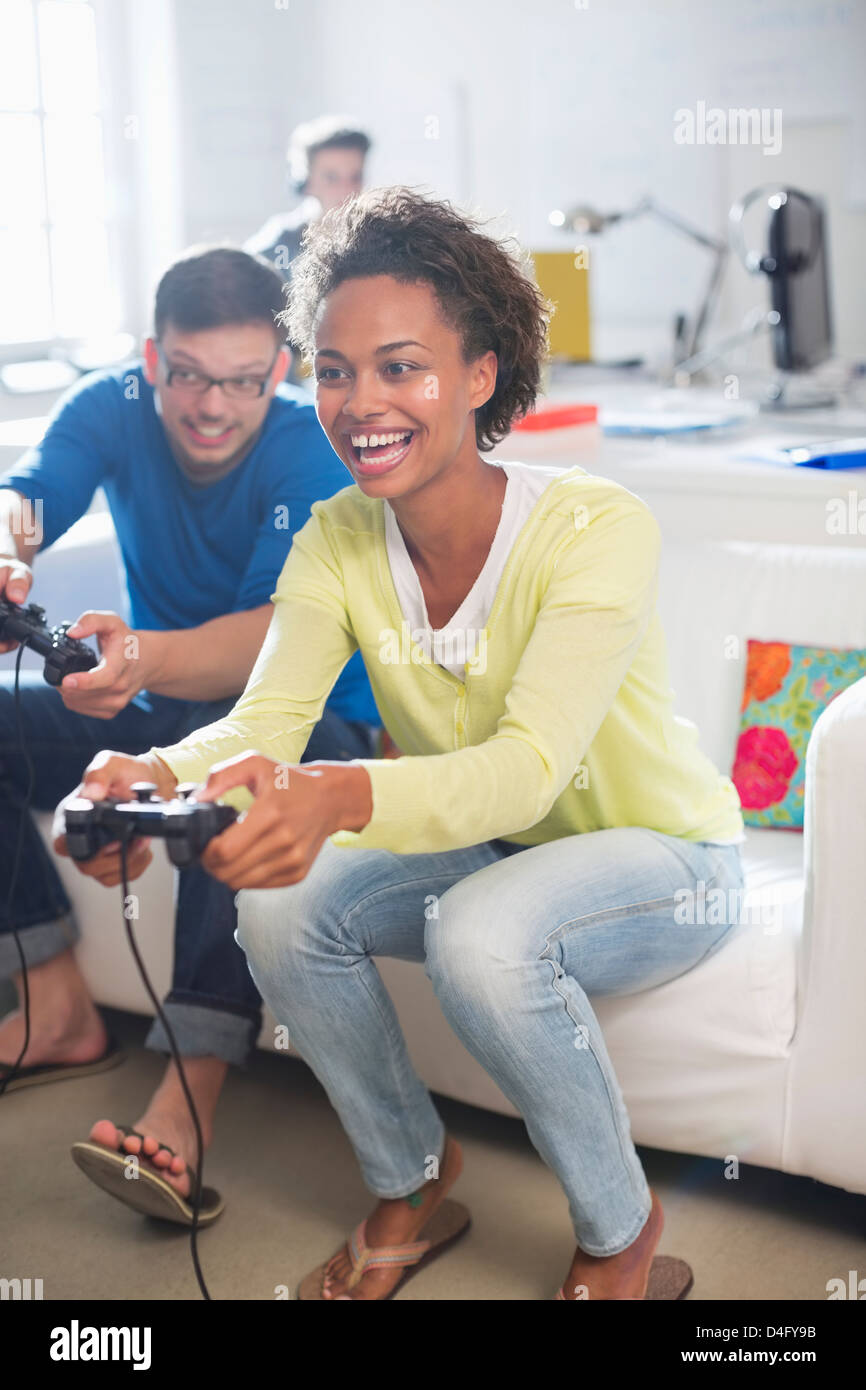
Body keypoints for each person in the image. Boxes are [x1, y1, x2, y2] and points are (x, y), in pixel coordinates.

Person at [59, 188, 746, 1299]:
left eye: (399, 366)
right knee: (277, 907)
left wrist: (336, 794)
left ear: (479, 374)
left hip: (655, 853)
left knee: (483, 930)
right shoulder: (336, 535)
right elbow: (266, 720)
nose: (359, 401)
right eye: (334, 370)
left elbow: (527, 769)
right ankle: (414, 1177)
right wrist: (152, 772)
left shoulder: (593, 527)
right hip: (492, 845)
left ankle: (619, 1227)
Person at [0, 245, 381, 1215]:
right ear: (150, 358)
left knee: (232, 770)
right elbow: (31, 494)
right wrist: (6, 534)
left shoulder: (309, 449)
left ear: (280, 371)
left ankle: (187, 1096)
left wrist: (140, 658)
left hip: (313, 724)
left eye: (242, 382)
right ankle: (57, 1006)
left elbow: (269, 650)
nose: (212, 406)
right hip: (161, 703)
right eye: (187, 376)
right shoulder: (109, 407)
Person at [245, 115, 371, 279]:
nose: (346, 189)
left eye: (355, 177)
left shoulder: (378, 240)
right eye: (331, 178)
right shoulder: (278, 244)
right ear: (306, 180)